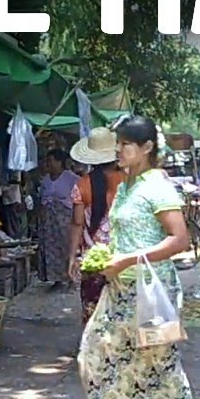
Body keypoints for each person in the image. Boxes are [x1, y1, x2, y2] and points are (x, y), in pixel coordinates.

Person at [72, 115, 196, 399]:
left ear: (146, 148)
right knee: (96, 354)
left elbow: (179, 239)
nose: (119, 150)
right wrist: (108, 255)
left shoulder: (157, 186)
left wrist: (128, 259)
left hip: (151, 289)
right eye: (118, 143)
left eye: (126, 144)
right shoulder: (127, 184)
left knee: (160, 364)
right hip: (121, 288)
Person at [68, 128, 122, 323]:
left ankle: (94, 347)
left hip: (93, 257)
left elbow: (77, 223)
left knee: (92, 306)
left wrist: (72, 256)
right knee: (122, 307)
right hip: (124, 255)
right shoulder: (129, 180)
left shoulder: (82, 185)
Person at [39, 149, 80, 288]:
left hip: (65, 217)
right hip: (49, 219)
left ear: (59, 162)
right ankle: (56, 278)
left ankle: (70, 277)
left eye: (51, 161)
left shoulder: (71, 178)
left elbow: (77, 199)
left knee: (67, 246)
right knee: (51, 248)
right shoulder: (45, 180)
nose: (48, 164)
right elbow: (43, 200)